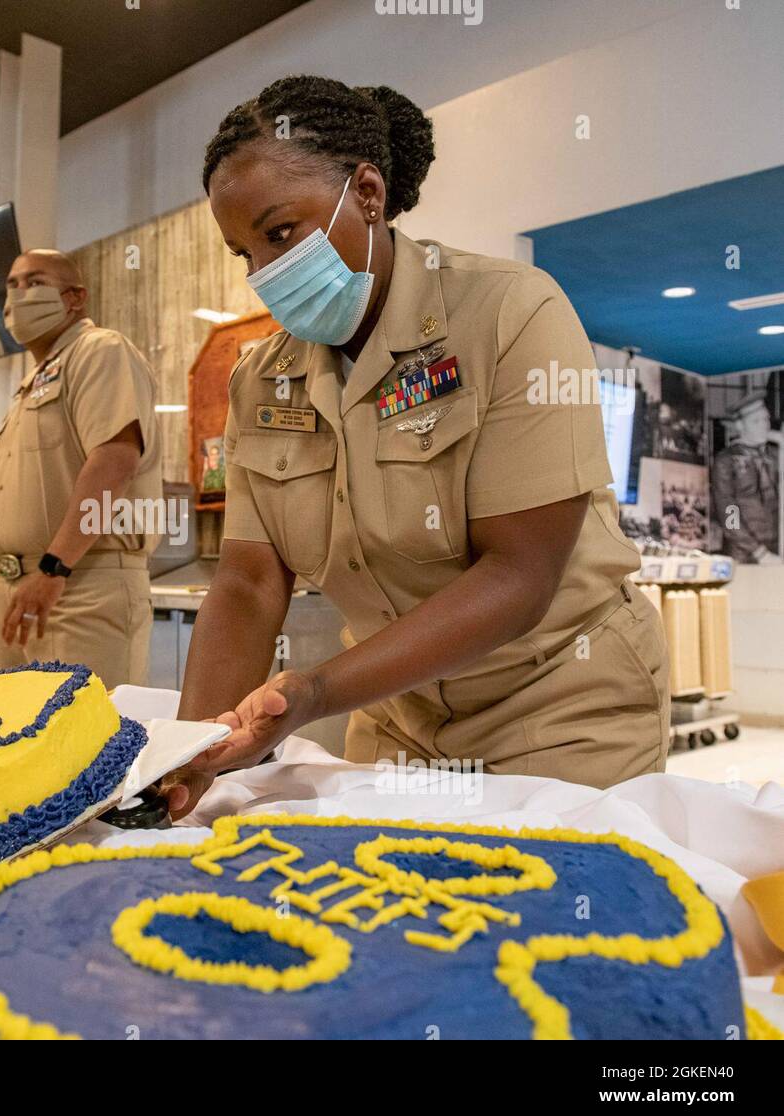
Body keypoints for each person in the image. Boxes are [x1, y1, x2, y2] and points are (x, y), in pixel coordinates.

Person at [162, 77, 669, 818]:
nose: (264, 274)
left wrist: (316, 691)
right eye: (243, 253)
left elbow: (520, 574)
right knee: (379, 919)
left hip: (560, 713)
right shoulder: (261, 382)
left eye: (280, 234)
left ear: (367, 191)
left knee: (543, 922)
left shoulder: (509, 314)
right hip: (401, 720)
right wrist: (190, 753)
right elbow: (247, 582)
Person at [0, 249, 162, 689]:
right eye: (12, 285)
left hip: (79, 584)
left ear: (75, 297)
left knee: (84, 746)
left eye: (34, 281)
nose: (19, 294)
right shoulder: (32, 384)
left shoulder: (99, 350)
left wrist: (53, 569)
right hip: (21, 590)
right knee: (15, 741)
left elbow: (114, 464)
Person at [711, 392, 781, 564]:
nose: (764, 426)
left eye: (766, 419)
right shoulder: (726, 461)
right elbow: (729, 514)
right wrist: (759, 552)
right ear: (740, 426)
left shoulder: (774, 456)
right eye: (756, 421)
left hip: (776, 547)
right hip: (744, 554)